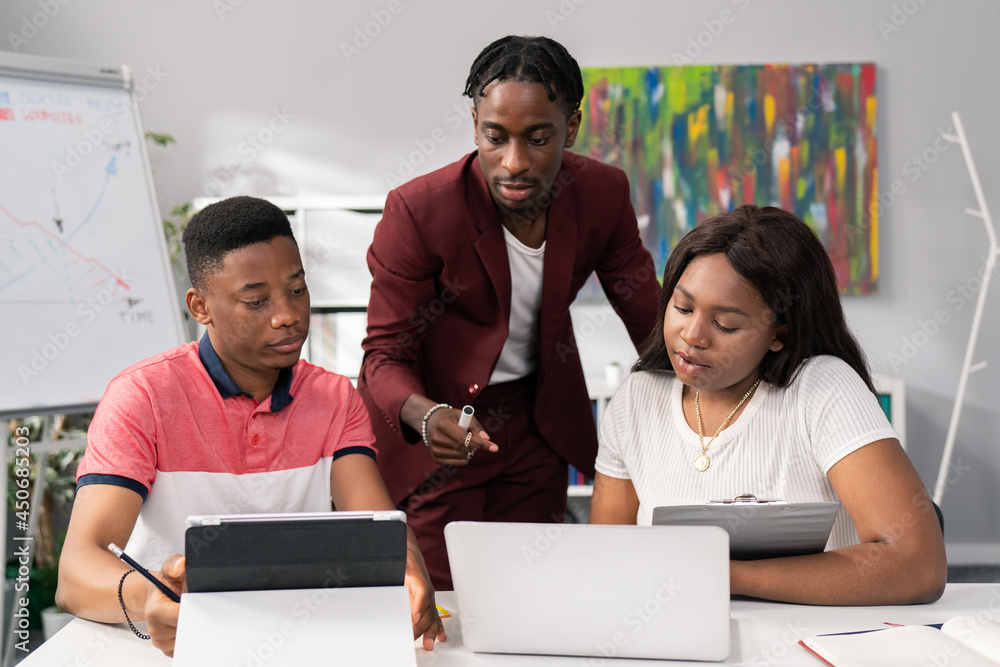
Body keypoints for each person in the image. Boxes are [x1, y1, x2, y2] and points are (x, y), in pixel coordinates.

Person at [56, 196, 446, 656]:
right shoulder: (143, 397)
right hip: (168, 646)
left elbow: (380, 529)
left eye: (297, 289)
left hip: (300, 642)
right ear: (200, 306)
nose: (287, 315)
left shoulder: (335, 397)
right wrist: (154, 597)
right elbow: (74, 575)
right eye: (257, 300)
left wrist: (410, 568)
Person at [359, 35, 660, 589]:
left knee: (532, 592)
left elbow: (652, 323)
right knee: (442, 607)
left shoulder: (602, 194)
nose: (514, 163)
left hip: (537, 424)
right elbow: (384, 356)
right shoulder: (419, 212)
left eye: (538, 138)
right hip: (437, 428)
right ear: (475, 124)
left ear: (569, 128)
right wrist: (426, 416)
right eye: (495, 138)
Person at [590, 203, 947, 605]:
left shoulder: (821, 388)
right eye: (683, 307)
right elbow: (609, 558)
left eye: (725, 324)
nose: (692, 335)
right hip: (679, 630)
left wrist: (729, 577)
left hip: (816, 639)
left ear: (779, 334)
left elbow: (917, 565)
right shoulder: (637, 398)